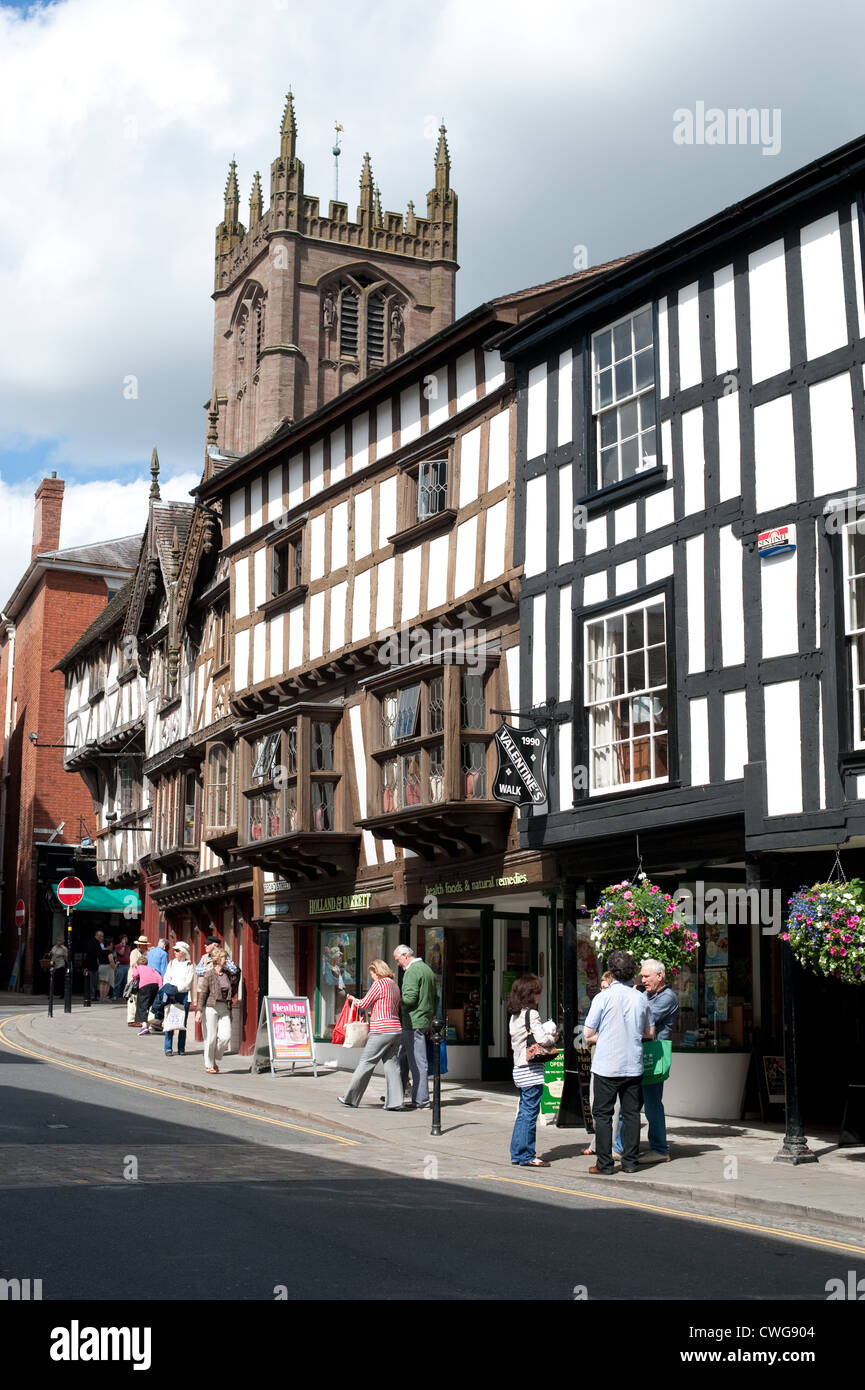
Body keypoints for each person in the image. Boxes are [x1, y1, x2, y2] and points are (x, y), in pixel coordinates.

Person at [583, 949, 654, 1176]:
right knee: (631, 1114)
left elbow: (587, 1032)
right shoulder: (640, 998)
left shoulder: (602, 998)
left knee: (603, 1115)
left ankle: (604, 1164)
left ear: (612, 971)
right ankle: (630, 1162)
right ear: (631, 972)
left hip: (606, 1064)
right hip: (632, 1064)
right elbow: (650, 1031)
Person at [612, 958, 679, 1164]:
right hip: (638, 1054)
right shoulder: (644, 994)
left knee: (652, 1106)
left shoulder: (668, 997)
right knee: (629, 1104)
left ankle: (660, 1149)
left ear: (660, 976)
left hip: (653, 1055)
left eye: (646, 976)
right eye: (642, 976)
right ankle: (620, 1147)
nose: (643, 979)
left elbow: (643, 1018)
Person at [338, 960, 403, 1109]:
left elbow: (364, 1003)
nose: (372, 977)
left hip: (381, 1030)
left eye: (372, 974)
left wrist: (353, 999)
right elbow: (387, 1006)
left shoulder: (379, 984)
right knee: (392, 1066)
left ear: (377, 971)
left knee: (366, 1063)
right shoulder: (394, 985)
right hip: (395, 1029)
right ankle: (395, 1103)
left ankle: (350, 1098)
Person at [507, 973, 558, 1167]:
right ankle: (527, 1155)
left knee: (523, 1112)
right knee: (530, 1113)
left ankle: (517, 1153)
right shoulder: (532, 1014)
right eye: (537, 992)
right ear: (531, 994)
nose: (539, 996)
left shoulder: (514, 1015)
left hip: (518, 1068)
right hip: (531, 1070)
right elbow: (542, 1039)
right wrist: (552, 1036)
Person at [393, 944, 438, 1110]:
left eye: (398, 960)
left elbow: (410, 998)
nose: (398, 964)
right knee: (402, 1058)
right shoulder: (427, 969)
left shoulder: (412, 971)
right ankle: (396, 1094)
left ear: (405, 955)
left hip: (413, 1022)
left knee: (418, 1061)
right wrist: (430, 1015)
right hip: (423, 1020)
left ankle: (421, 1100)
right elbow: (436, 997)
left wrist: (396, 1001)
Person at [581, 971, 615, 1157]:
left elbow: (593, 1035)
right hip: (598, 1061)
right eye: (601, 987)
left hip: (609, 1063)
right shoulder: (600, 1002)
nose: (602, 991)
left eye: (605, 987)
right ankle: (597, 1143)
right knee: (596, 1106)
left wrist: (597, 1037)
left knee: (607, 1108)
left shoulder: (610, 1003)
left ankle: (604, 1147)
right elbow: (589, 1034)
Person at [195, 947, 233, 1073]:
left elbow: (229, 993)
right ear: (217, 959)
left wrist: (230, 1010)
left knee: (225, 1036)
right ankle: (209, 1064)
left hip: (224, 1008)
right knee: (210, 1038)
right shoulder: (209, 974)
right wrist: (199, 1011)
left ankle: (215, 1056)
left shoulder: (227, 973)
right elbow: (204, 993)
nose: (226, 960)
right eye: (224, 957)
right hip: (210, 1007)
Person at [160, 942, 194, 1057]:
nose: (174, 952)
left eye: (177, 950)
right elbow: (166, 978)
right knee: (170, 1020)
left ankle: (181, 1048)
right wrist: (171, 990)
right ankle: (168, 1048)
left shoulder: (189, 965)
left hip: (184, 995)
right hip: (171, 994)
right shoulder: (171, 963)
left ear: (183, 952)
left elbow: (188, 983)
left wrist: (177, 989)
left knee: (182, 1023)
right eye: (174, 950)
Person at [133, 956, 163, 1032]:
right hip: (155, 986)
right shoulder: (151, 968)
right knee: (151, 1005)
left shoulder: (137, 967)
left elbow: (135, 975)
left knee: (142, 1006)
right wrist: (160, 987)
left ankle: (144, 1026)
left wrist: (134, 981)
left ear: (138, 963)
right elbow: (159, 977)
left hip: (144, 986)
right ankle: (149, 1026)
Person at [84, 930, 107, 1004]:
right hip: (91, 965)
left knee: (95, 981)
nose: (102, 938)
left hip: (95, 966)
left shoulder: (99, 943)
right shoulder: (93, 943)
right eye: (101, 936)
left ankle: (93, 995)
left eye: (103, 936)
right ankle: (92, 996)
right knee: (92, 981)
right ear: (97, 936)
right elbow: (90, 955)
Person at [113, 934, 131, 1000]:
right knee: (118, 981)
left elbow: (128, 956)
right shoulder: (118, 946)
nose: (126, 939)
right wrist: (123, 946)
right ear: (122, 939)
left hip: (127, 965)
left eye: (127, 938)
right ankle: (115, 995)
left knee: (125, 982)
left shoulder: (128, 947)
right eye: (125, 938)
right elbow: (121, 953)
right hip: (120, 966)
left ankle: (124, 995)